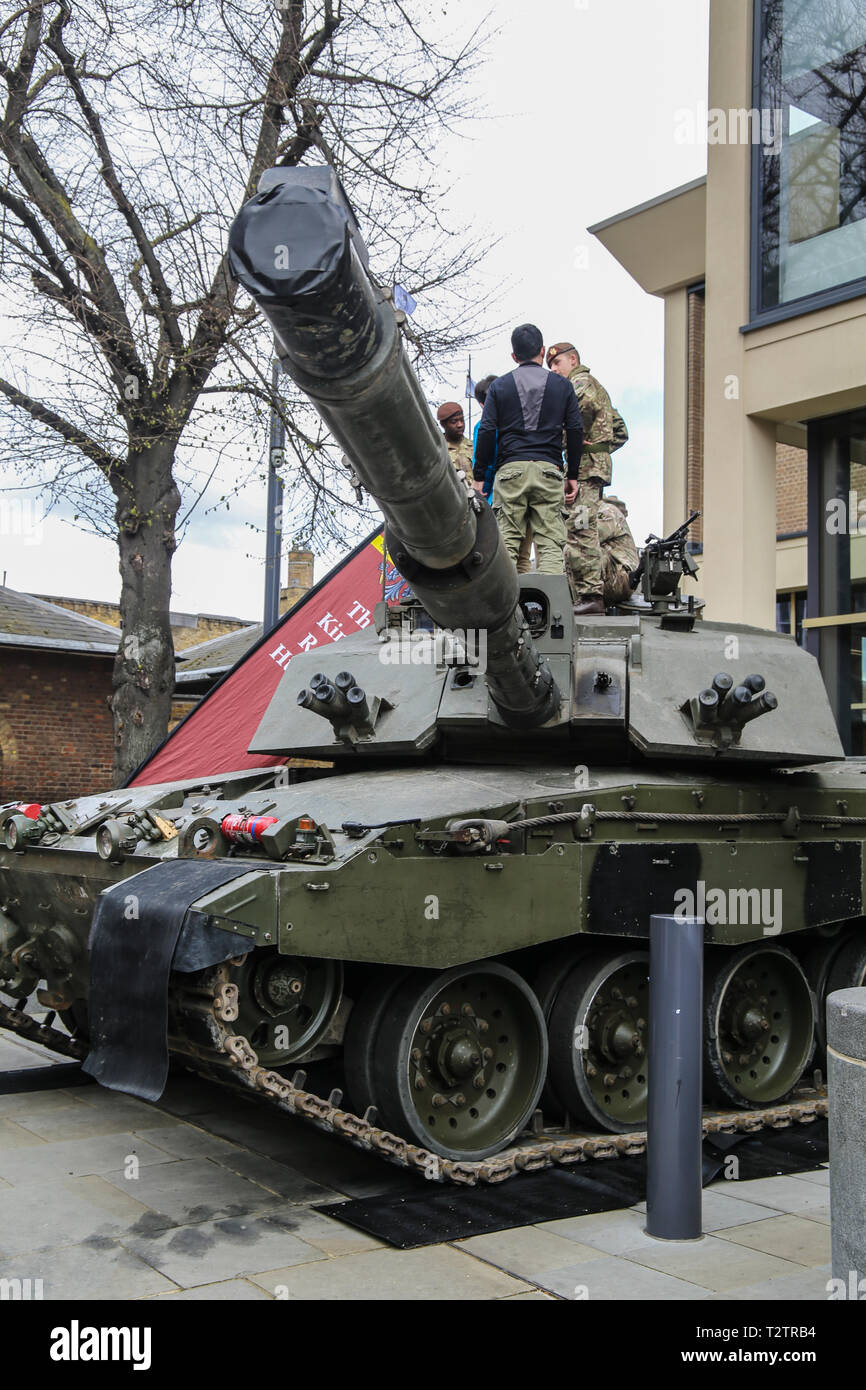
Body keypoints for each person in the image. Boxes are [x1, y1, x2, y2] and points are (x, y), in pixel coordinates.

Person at [474, 324, 582, 574]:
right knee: (551, 544)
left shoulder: (499, 386)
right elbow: (576, 430)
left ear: (514, 356)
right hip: (549, 470)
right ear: (542, 352)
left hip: (510, 471)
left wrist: (480, 476)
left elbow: (488, 431)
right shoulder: (563, 386)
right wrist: (572, 475)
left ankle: (507, 612)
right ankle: (553, 612)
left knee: (507, 545)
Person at [547, 342, 625, 615]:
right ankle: (588, 595)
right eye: (550, 366)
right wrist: (600, 448)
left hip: (584, 469)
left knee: (580, 529)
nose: (554, 370)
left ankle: (590, 595)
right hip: (592, 467)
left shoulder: (580, 383)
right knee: (583, 525)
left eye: (557, 363)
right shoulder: (595, 384)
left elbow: (574, 415)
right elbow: (620, 430)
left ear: (573, 359)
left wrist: (580, 446)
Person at [473, 375, 533, 574]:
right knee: (524, 556)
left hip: (504, 495)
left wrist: (482, 494)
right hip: (534, 490)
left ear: (483, 404)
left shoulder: (484, 426)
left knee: (505, 555)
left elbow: (486, 464)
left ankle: (508, 603)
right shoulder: (527, 416)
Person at [598, 495, 639, 608]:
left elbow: (587, 539)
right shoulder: (584, 514)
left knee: (581, 551)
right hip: (613, 575)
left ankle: (589, 601)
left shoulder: (607, 511)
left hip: (621, 578)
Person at [436, 402, 474, 483]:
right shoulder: (437, 449)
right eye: (454, 421)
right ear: (443, 424)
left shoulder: (474, 447)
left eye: (462, 420)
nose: (460, 425)